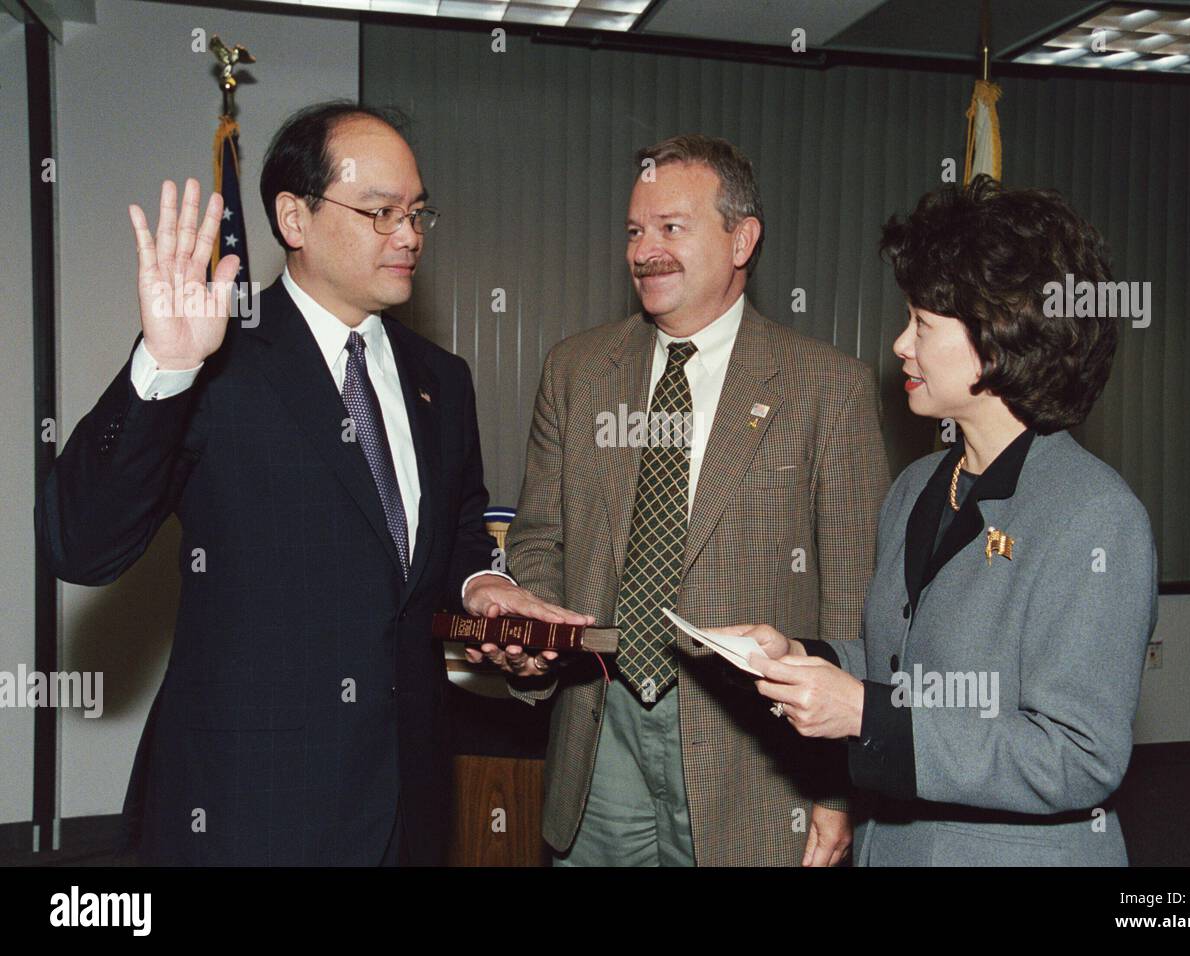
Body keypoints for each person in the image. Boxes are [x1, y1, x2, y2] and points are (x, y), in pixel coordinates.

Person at [36, 100, 586, 866]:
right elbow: (80, 543)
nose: (410, 234)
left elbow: (456, 535)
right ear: (294, 218)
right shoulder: (215, 356)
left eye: (418, 211)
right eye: (381, 211)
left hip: (409, 800)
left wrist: (482, 589)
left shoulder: (441, 380)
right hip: (246, 806)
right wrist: (163, 369)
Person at [467, 135, 890, 866]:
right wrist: (529, 645)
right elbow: (540, 543)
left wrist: (837, 789)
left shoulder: (827, 387)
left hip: (757, 766)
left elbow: (853, 599)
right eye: (634, 231)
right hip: (598, 739)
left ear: (741, 239)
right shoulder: (576, 372)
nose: (645, 251)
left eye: (671, 228)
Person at [738, 174, 1158, 866]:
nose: (901, 345)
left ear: (997, 342)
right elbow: (907, 666)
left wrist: (869, 718)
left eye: (923, 325)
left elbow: (1078, 756)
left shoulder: (1095, 517)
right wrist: (807, 659)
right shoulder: (916, 488)